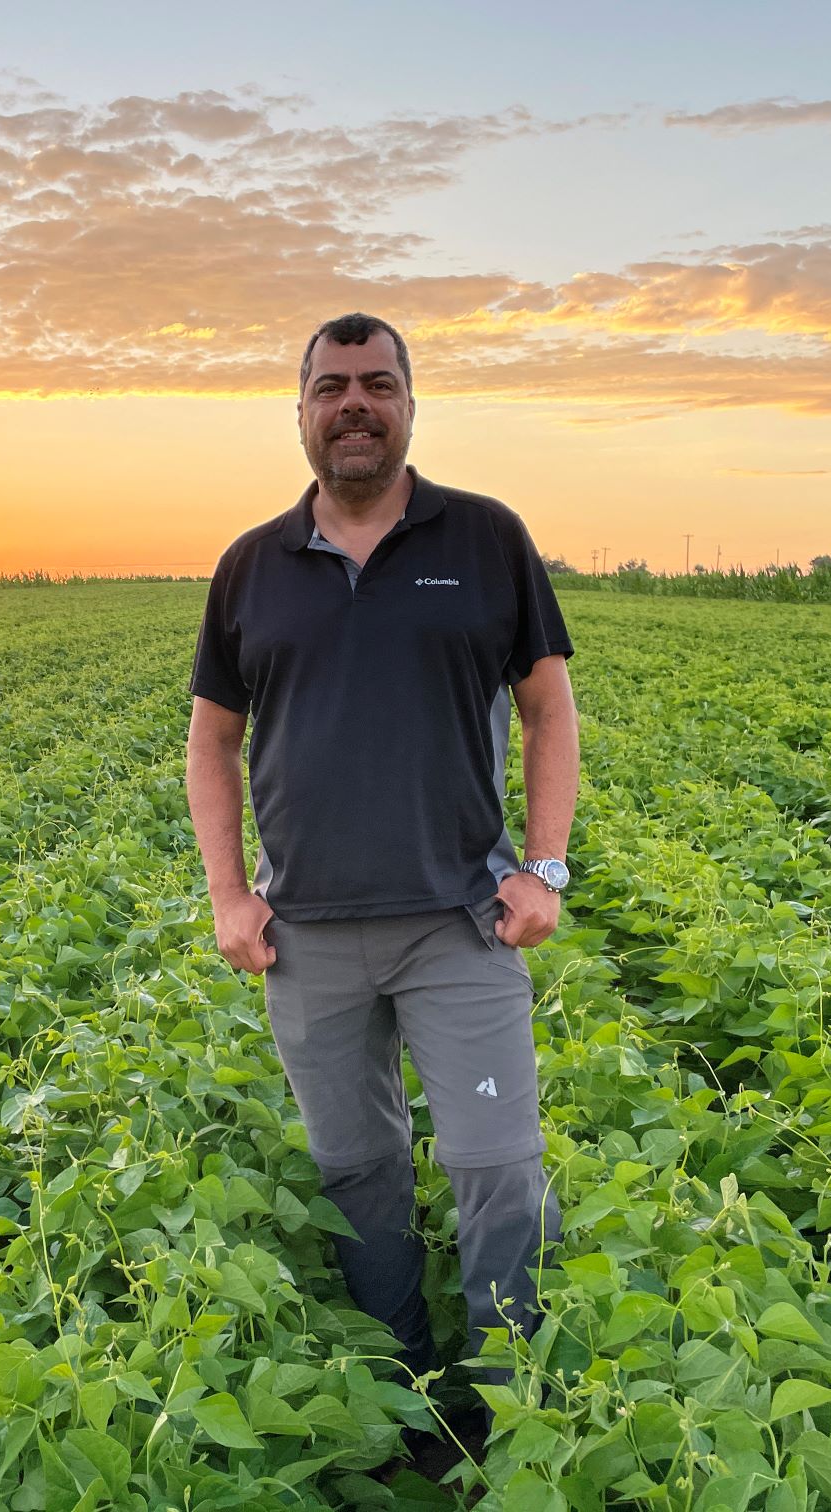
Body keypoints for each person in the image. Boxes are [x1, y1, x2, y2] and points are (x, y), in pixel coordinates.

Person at [184, 311, 578, 1459]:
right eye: (331, 387)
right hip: (308, 934)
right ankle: (401, 1389)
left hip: (462, 922)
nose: (354, 404)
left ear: (411, 403)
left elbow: (549, 709)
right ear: (300, 411)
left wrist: (545, 868)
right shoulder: (252, 566)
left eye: (377, 384)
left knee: (498, 1170)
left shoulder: (488, 537)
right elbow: (213, 739)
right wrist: (227, 895)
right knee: (355, 1173)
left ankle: (507, 1400)